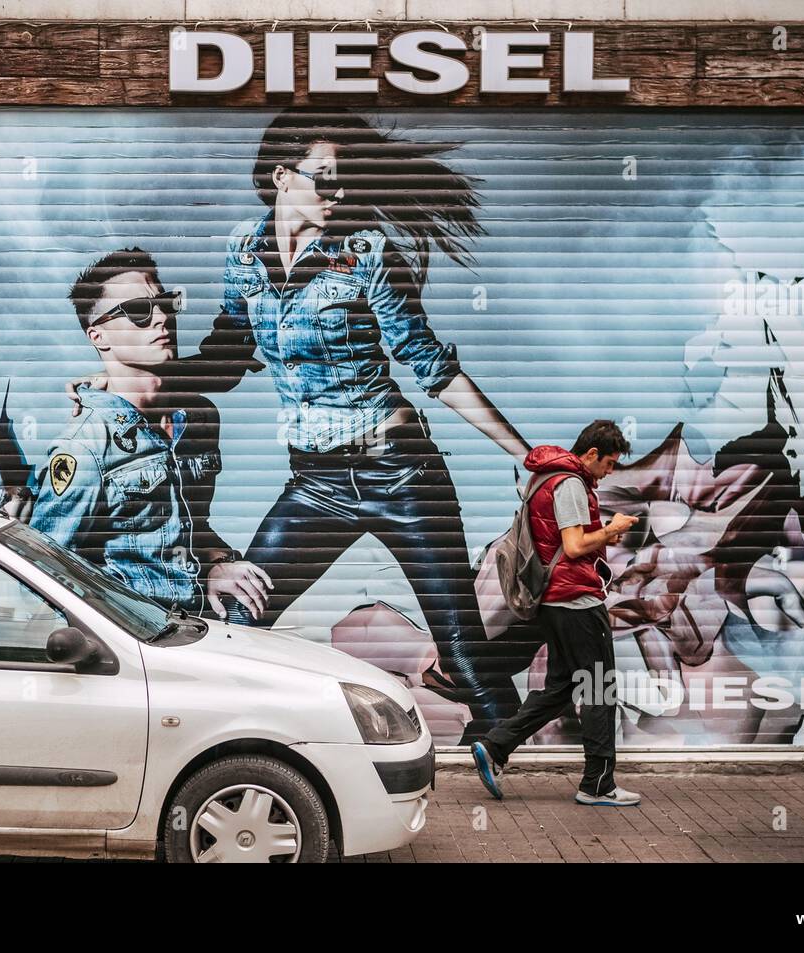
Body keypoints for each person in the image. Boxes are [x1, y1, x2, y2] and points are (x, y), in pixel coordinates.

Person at [175, 108, 533, 738]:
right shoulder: (242, 252)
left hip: (402, 474)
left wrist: (525, 454)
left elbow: (429, 363)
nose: (338, 193)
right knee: (240, 622)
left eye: (344, 181)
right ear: (282, 177)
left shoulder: (367, 252)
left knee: (467, 657)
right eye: (324, 179)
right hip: (315, 485)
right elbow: (228, 356)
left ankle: (516, 763)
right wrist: (139, 380)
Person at [31, 248, 272, 619]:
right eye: (138, 312)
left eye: (164, 303)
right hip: (136, 641)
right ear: (99, 336)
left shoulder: (198, 419)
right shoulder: (86, 447)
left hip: (195, 628)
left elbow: (186, 526)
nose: (160, 317)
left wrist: (218, 563)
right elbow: (43, 577)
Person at [471, 420, 643, 806]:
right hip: (577, 602)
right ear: (592, 454)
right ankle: (597, 784)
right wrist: (611, 528)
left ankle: (495, 746)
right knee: (600, 689)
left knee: (561, 689)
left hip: (556, 602)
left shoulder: (547, 478)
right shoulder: (569, 483)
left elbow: (561, 542)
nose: (610, 472)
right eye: (610, 463)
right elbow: (575, 544)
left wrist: (603, 534)